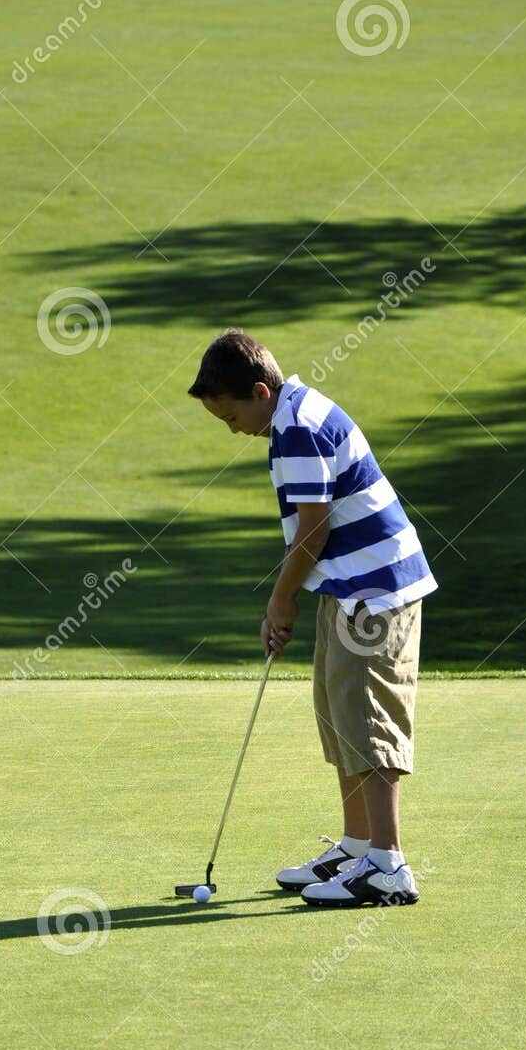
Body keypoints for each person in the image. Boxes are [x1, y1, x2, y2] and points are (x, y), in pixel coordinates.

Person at [188, 329, 437, 908]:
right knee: (338, 709)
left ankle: (388, 866)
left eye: (230, 415)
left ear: (258, 390)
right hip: (350, 585)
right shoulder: (294, 413)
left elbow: (314, 527)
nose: (232, 429)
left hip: (375, 588)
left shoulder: (296, 426)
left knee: (367, 716)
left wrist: (280, 601)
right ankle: (357, 846)